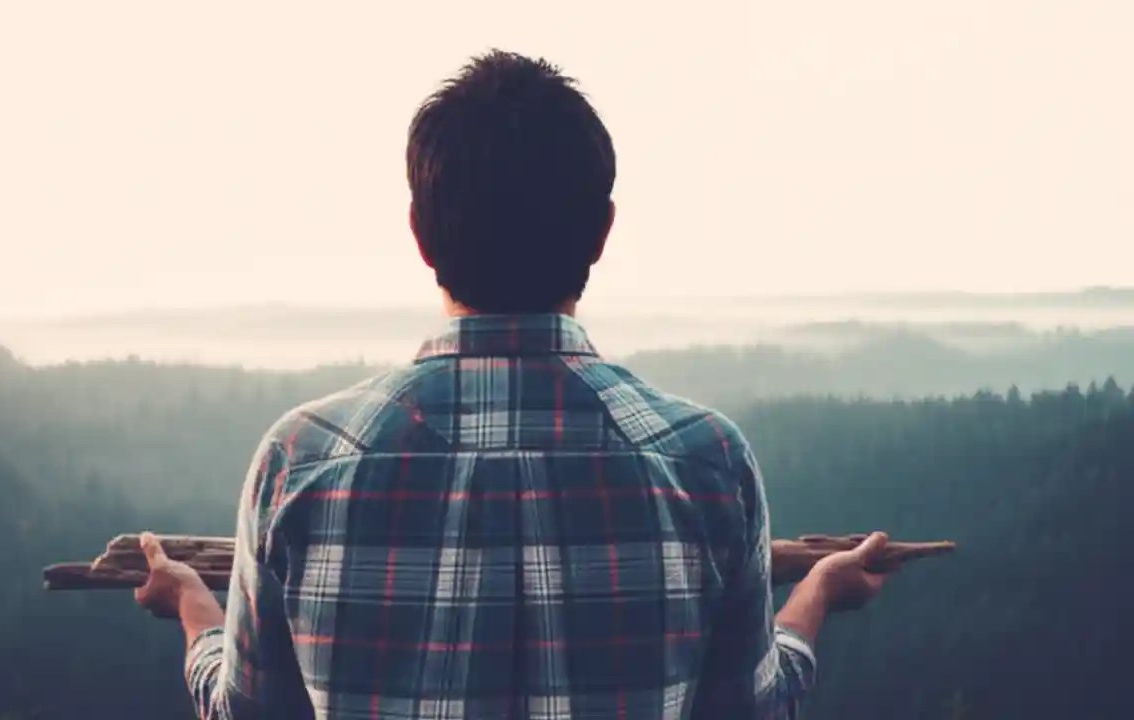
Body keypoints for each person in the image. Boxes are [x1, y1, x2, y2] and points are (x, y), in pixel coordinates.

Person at [134, 49, 893, 719]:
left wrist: (195, 610)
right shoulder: (706, 465)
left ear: (419, 233)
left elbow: (246, 712)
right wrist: (815, 596)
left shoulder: (301, 461)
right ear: (601, 230)